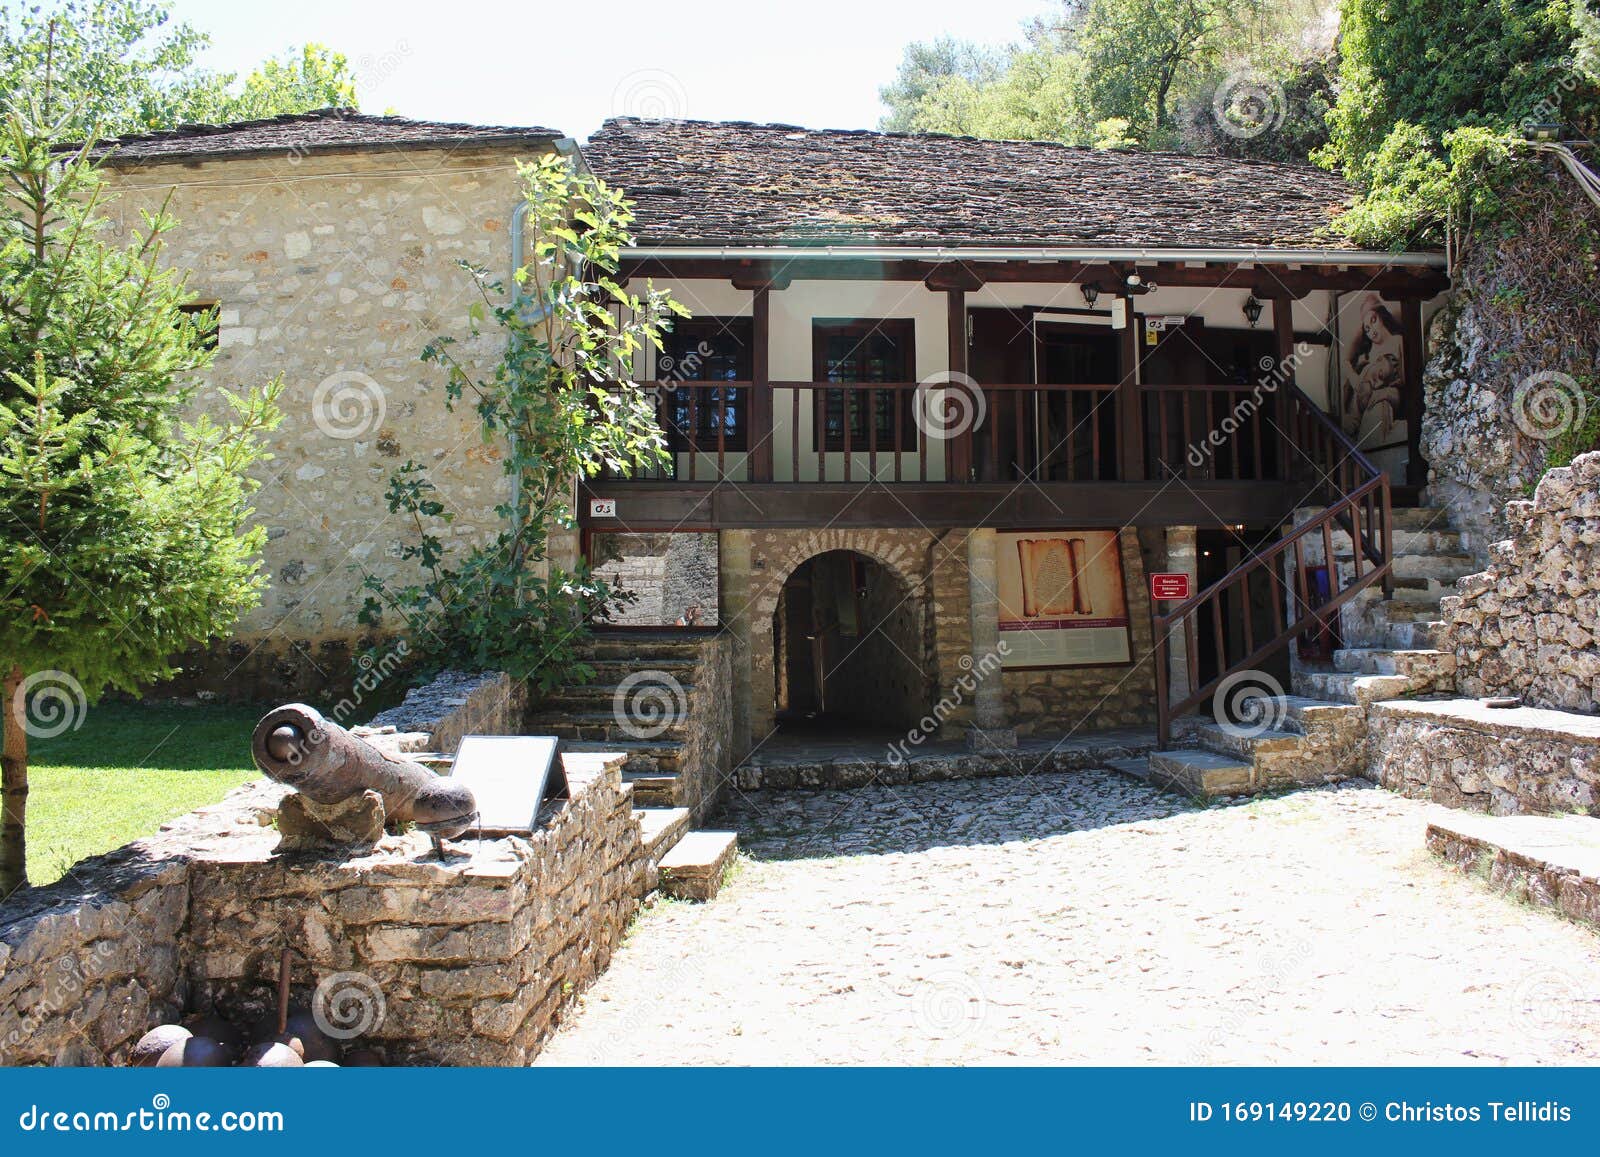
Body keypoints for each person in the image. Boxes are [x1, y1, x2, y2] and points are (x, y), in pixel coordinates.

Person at [1342, 294, 1404, 437]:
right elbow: (1347, 360)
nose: (1372, 332)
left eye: (1374, 320)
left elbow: (1406, 382)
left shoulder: (1398, 342)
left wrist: (1384, 392)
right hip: (1368, 400)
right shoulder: (1370, 355)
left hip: (1392, 397)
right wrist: (1364, 323)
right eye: (1367, 329)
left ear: (1382, 316)